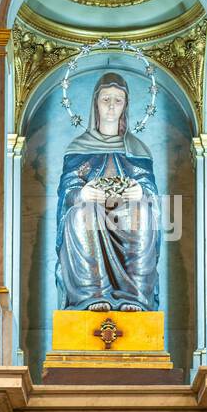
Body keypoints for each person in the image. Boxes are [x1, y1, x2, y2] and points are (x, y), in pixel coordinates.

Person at [55, 71, 160, 312]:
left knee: (143, 213)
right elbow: (68, 189)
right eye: (106, 100)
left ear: (125, 106)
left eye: (118, 101)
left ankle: (135, 296)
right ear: (95, 104)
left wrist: (141, 192)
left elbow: (150, 189)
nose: (111, 107)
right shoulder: (78, 148)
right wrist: (81, 194)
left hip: (127, 214)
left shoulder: (138, 148)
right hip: (91, 213)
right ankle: (90, 295)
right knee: (79, 215)